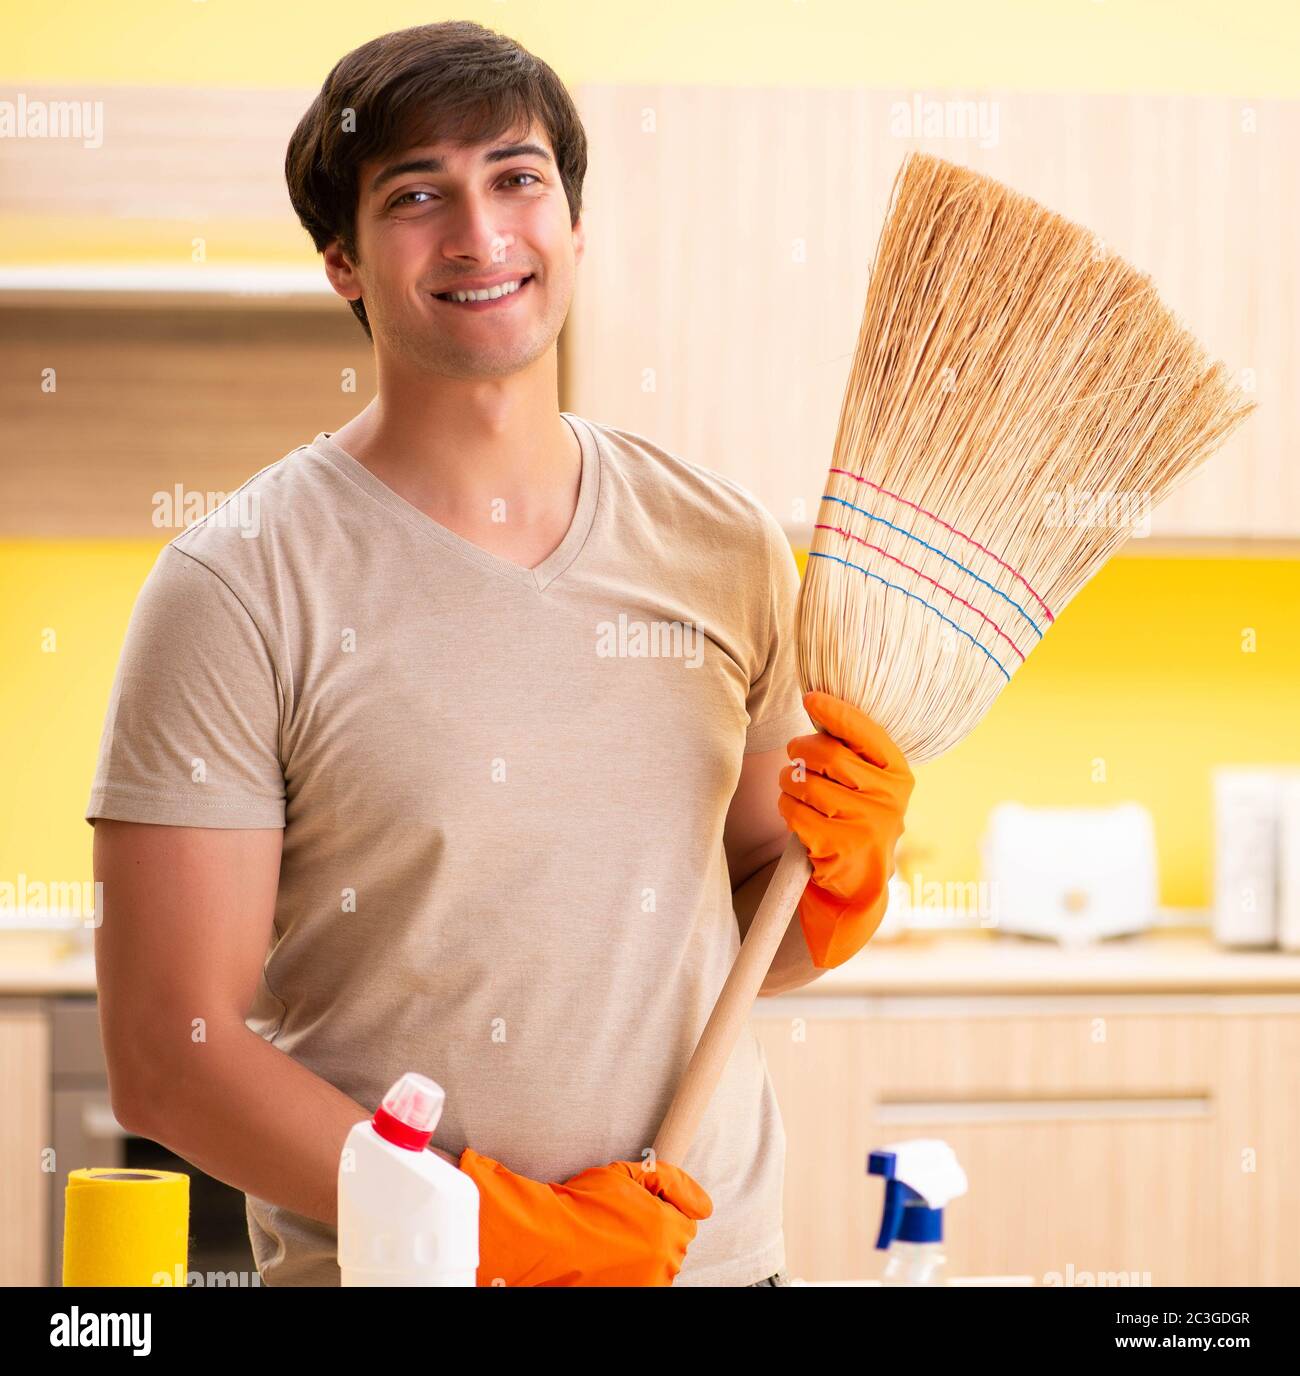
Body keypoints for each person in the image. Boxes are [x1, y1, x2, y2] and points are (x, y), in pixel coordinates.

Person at [86, 20, 913, 1287]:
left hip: (712, 1263)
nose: (479, 234)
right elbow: (168, 1050)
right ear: (343, 264)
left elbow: (755, 932)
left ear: (574, 227)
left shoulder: (728, 544)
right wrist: (489, 1231)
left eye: (516, 178)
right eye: (417, 195)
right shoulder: (237, 584)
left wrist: (844, 886)